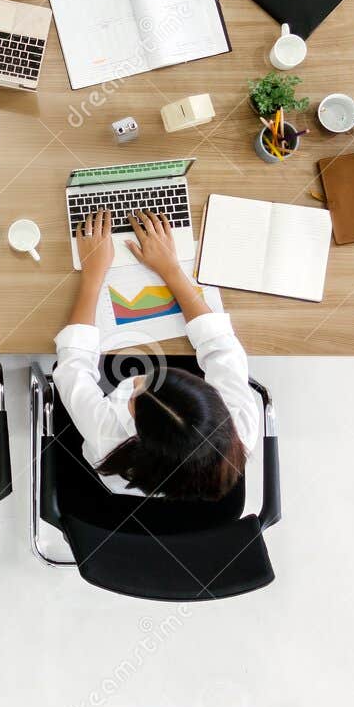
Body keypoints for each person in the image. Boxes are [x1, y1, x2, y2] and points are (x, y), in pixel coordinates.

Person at [54, 209, 262, 509]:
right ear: (212, 395)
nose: (138, 378)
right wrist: (171, 269)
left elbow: (72, 365)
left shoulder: (107, 440)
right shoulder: (240, 427)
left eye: (135, 392)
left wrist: (92, 276)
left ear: (137, 428)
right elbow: (220, 347)